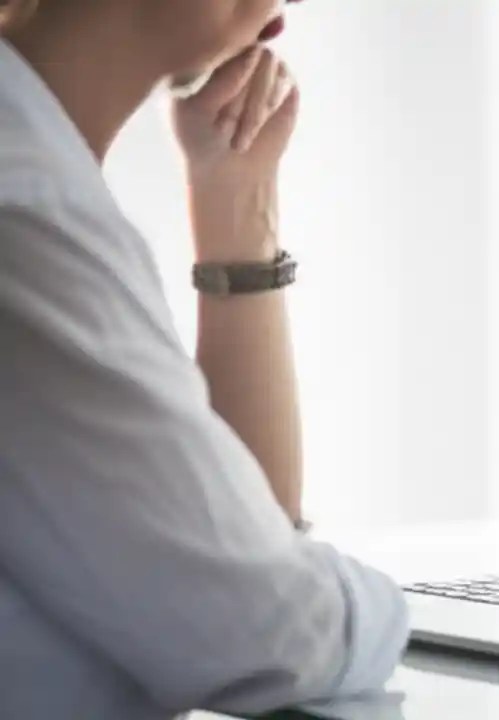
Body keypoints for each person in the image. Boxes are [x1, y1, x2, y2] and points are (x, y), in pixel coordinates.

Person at [0, 1, 410, 717]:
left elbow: (241, 542)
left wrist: (234, 197)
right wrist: (396, 607)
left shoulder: (44, 185)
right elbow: (271, 636)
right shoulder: (25, 219)